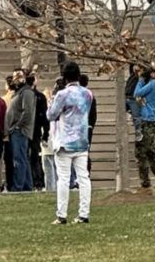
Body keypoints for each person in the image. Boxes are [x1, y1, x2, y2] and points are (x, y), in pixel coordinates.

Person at [47, 61, 93, 225]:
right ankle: (84, 213)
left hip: (65, 141)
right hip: (82, 140)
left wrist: (51, 99)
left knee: (64, 179)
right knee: (84, 178)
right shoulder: (88, 94)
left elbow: (51, 115)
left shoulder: (62, 95)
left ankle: (62, 215)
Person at [5, 69, 36, 191]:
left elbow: (27, 112)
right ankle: (27, 186)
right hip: (16, 130)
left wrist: (17, 126)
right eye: (14, 76)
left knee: (19, 160)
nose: (17, 78)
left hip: (21, 131)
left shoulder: (27, 92)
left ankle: (18, 186)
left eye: (19, 75)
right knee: (23, 159)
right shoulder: (18, 92)